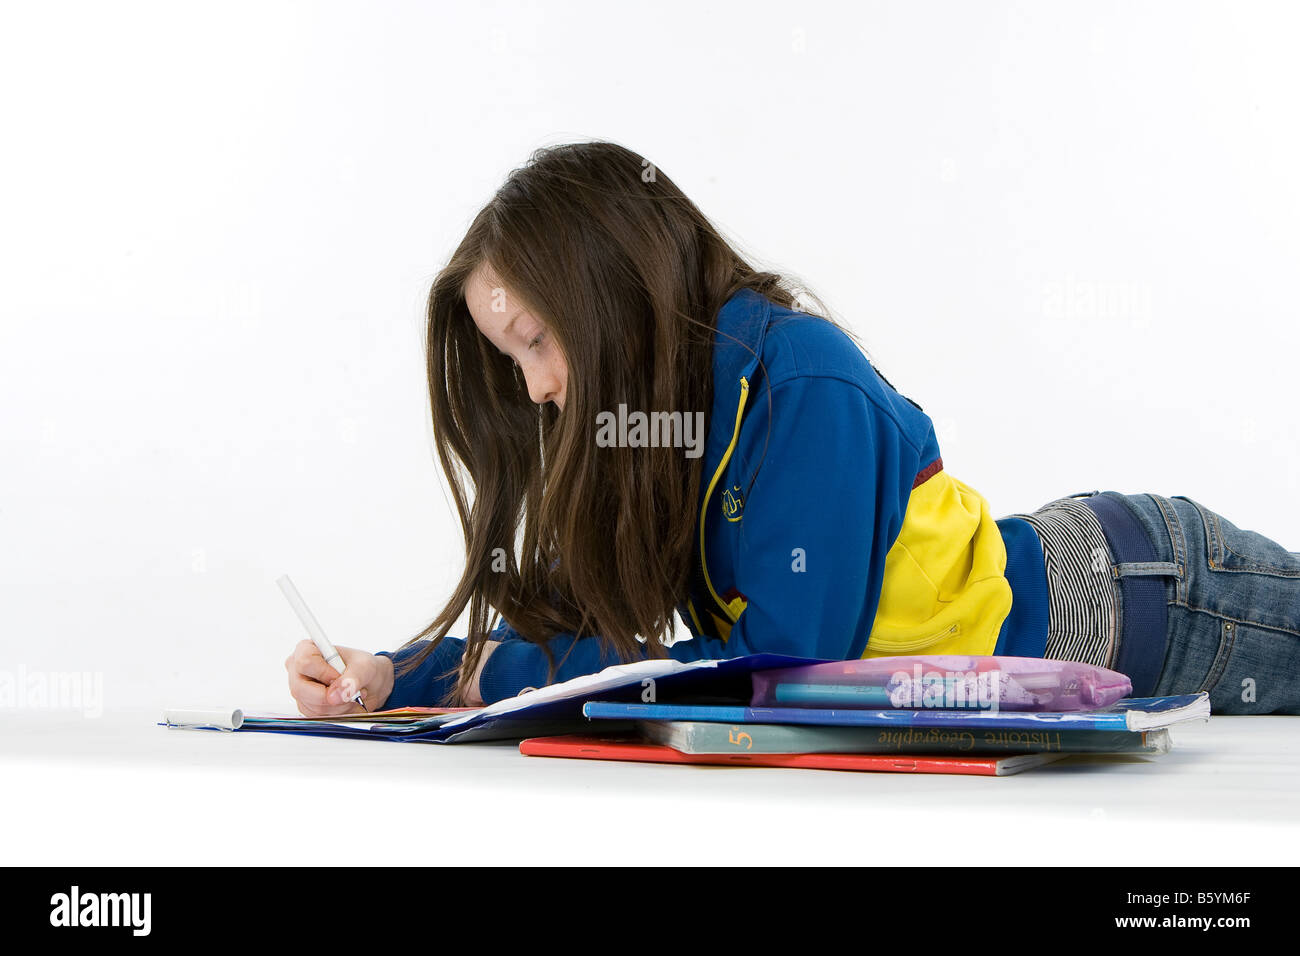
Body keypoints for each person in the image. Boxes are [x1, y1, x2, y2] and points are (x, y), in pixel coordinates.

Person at [285, 140, 1300, 718]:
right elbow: (611, 649)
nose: (537, 388)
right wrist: (399, 673)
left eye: (538, 341)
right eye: (511, 360)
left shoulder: (798, 383)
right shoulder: (662, 436)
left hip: (1158, 599)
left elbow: (774, 672)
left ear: (611, 298)